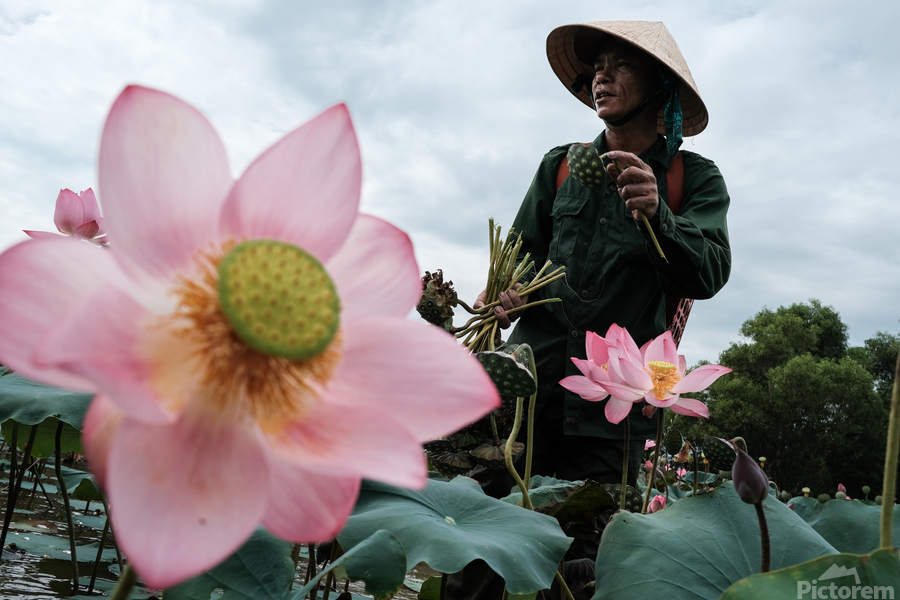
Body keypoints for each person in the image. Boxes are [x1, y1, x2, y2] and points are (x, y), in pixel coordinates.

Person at [475, 20, 731, 495]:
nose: (601, 77)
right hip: (526, 401)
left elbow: (710, 273)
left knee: (587, 557)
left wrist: (659, 217)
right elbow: (519, 258)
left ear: (660, 85)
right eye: (597, 68)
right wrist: (501, 293)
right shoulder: (560, 166)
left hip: (612, 417)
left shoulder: (690, 179)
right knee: (490, 543)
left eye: (620, 66)